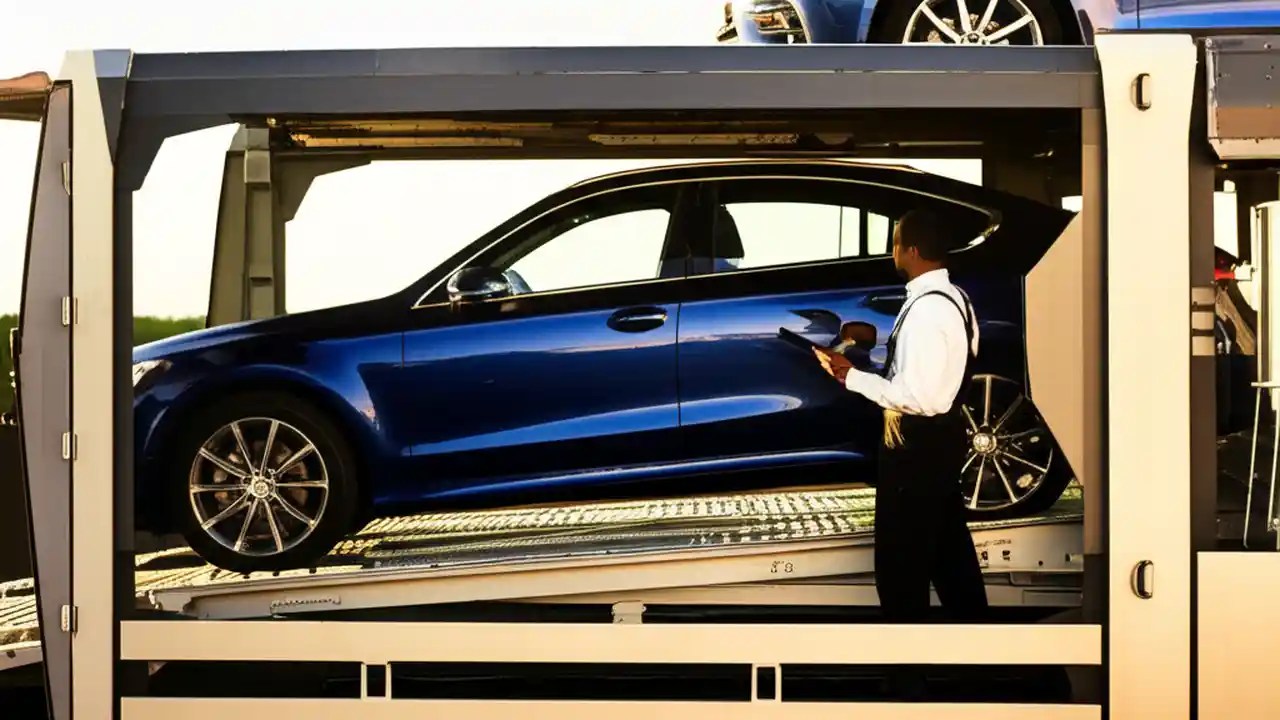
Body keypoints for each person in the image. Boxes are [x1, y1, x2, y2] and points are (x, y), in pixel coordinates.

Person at [812, 208, 989, 627]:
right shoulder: (956, 300)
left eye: (895, 243)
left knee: (900, 570)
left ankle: (908, 678)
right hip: (941, 442)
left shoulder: (928, 311)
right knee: (950, 559)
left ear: (910, 250)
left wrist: (850, 376)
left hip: (915, 448)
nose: (893, 252)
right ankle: (986, 662)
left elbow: (918, 396)